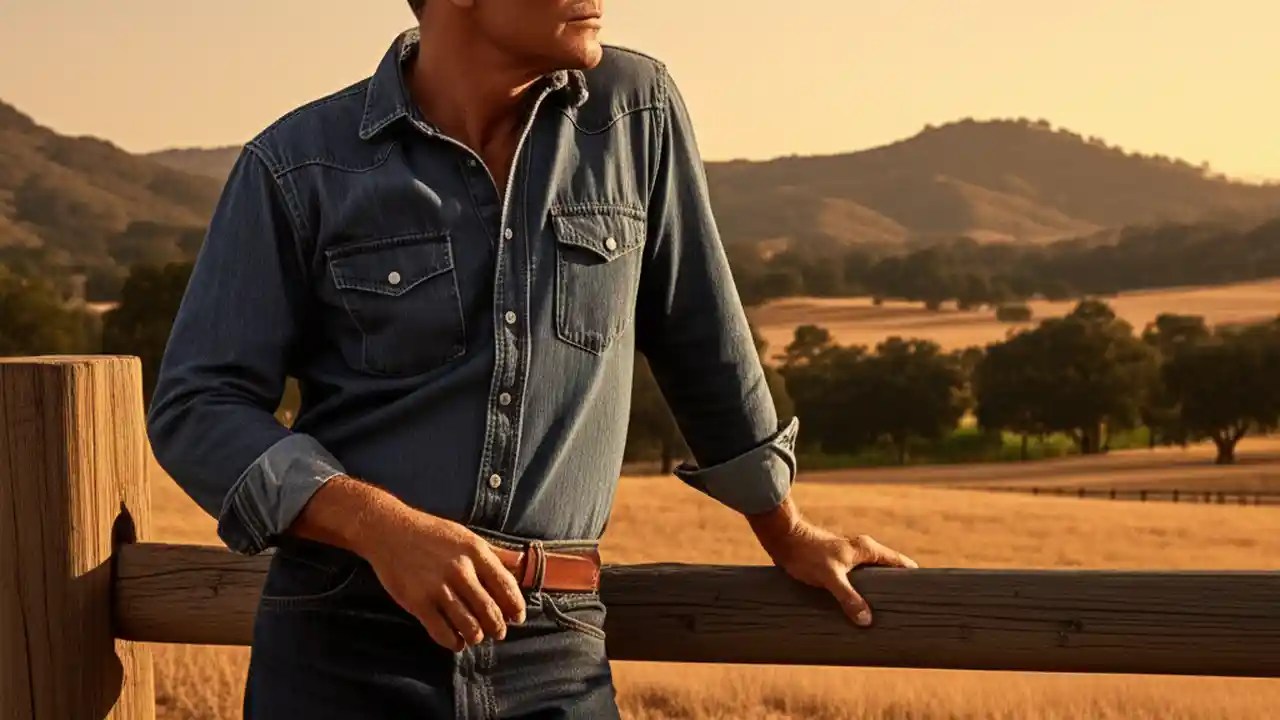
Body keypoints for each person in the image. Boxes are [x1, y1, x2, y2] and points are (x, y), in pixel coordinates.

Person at [147, 1, 917, 717]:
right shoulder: (297, 167)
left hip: (554, 643)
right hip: (341, 638)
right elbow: (197, 405)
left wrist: (787, 530)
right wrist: (383, 529)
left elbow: (701, 340)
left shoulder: (634, 109)